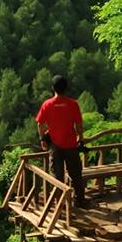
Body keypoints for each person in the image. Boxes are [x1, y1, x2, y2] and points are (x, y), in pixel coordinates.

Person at [35, 75, 87, 207]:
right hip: (71, 144)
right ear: (66, 88)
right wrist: (80, 138)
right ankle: (79, 200)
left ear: (53, 88)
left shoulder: (47, 104)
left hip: (55, 146)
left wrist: (42, 139)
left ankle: (60, 204)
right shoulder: (73, 104)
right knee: (76, 175)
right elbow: (79, 124)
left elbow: (40, 124)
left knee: (57, 176)